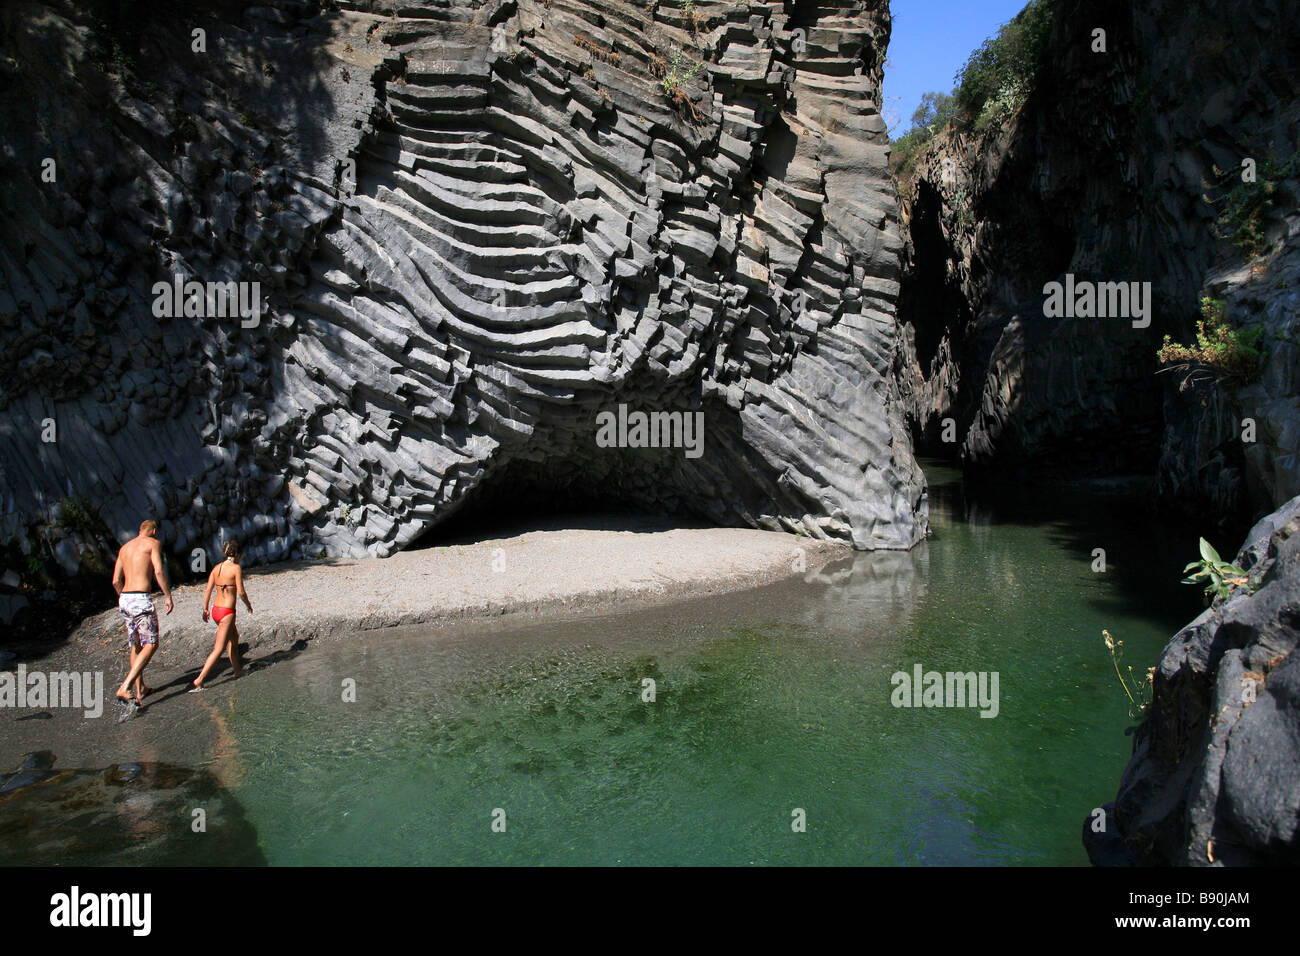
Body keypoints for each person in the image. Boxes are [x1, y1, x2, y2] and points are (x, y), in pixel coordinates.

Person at [112, 520, 174, 704]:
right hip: (140, 599)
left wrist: (125, 598)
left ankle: (141, 689)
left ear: (140, 530)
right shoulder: (153, 543)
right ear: (154, 531)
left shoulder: (124, 548)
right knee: (152, 644)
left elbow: (116, 581)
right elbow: (159, 571)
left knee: (136, 644)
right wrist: (168, 595)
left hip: (124, 598)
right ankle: (126, 686)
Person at [193, 541, 251, 691]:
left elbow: (207, 590)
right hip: (227, 612)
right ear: (237, 554)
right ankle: (200, 679)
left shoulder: (216, 568)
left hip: (215, 610)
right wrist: (248, 605)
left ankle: (238, 671)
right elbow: (241, 592)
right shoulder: (236, 568)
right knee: (219, 648)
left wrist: (205, 609)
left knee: (234, 638)